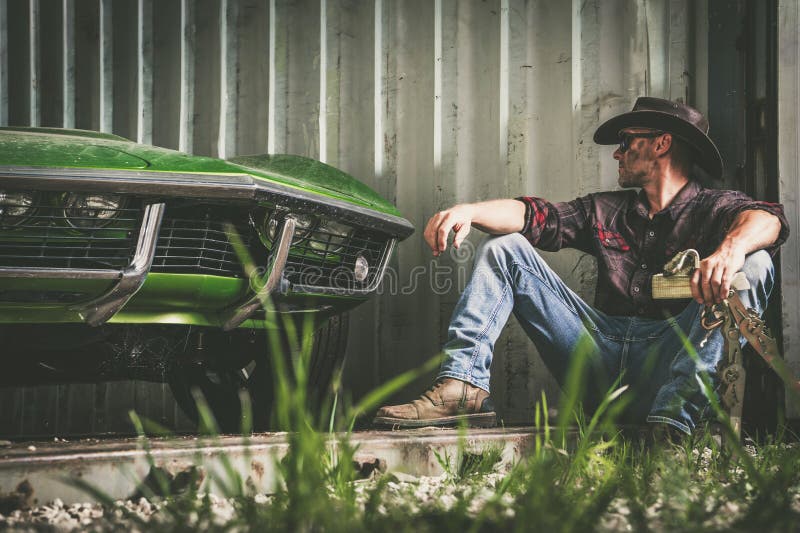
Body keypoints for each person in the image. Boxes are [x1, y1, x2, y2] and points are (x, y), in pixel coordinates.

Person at [373, 97, 789, 435]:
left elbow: (769, 219)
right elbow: (534, 216)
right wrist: (467, 210)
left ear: (662, 144)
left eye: (627, 142)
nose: (617, 153)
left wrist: (729, 249)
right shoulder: (605, 210)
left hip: (669, 364)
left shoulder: (714, 207)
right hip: (600, 361)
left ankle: (674, 423)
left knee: (753, 265)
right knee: (504, 248)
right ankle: (463, 386)